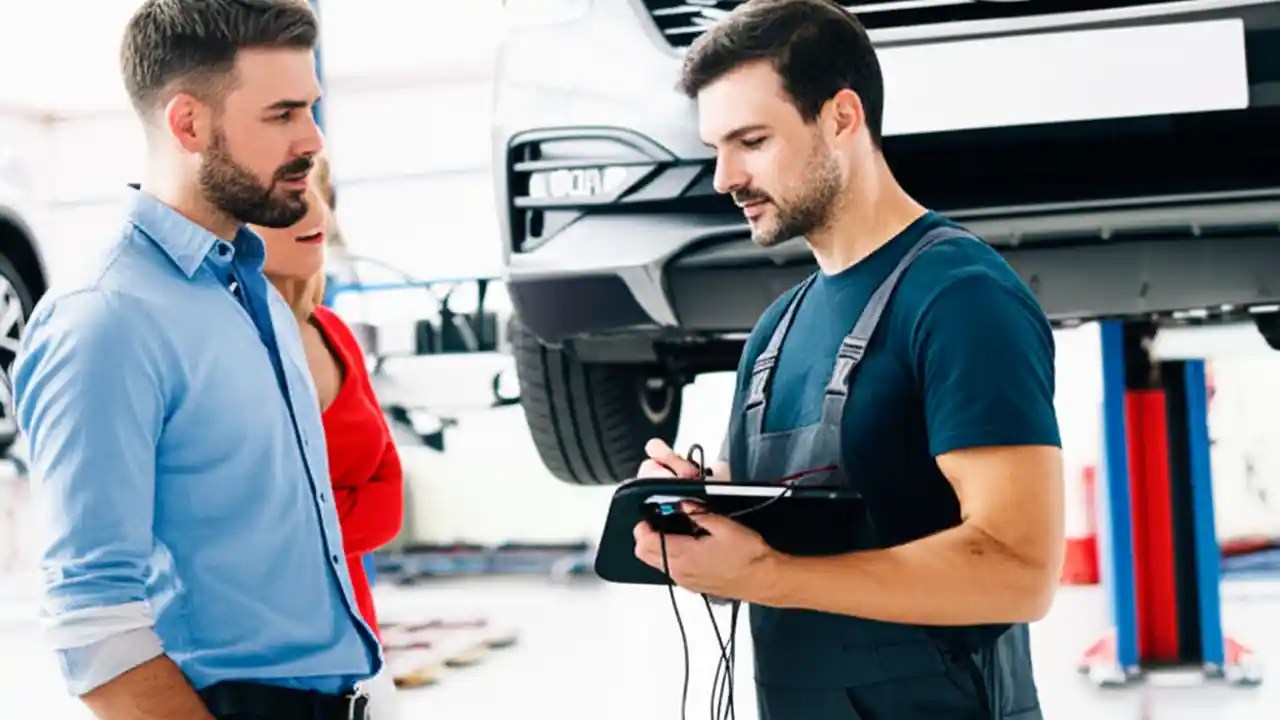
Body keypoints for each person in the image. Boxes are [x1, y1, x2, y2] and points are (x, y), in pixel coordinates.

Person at [631, 1, 1064, 718]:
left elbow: (1020, 573)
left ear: (841, 117)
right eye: (717, 147)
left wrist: (770, 574)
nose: (723, 177)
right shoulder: (777, 329)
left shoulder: (960, 298)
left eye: (752, 141)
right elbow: (780, 553)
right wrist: (700, 519)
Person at [12, 2, 380, 718]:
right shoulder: (106, 319)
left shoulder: (253, 292)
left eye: (311, 108)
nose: (312, 139)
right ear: (189, 124)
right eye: (281, 115)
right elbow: (92, 623)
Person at [251, 155, 403, 712]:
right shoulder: (228, 340)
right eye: (293, 196)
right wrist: (336, 513)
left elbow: (390, 497)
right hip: (270, 663)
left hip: (361, 649)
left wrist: (313, 522)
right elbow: (250, 523)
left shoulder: (333, 330)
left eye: (322, 193)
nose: (316, 211)